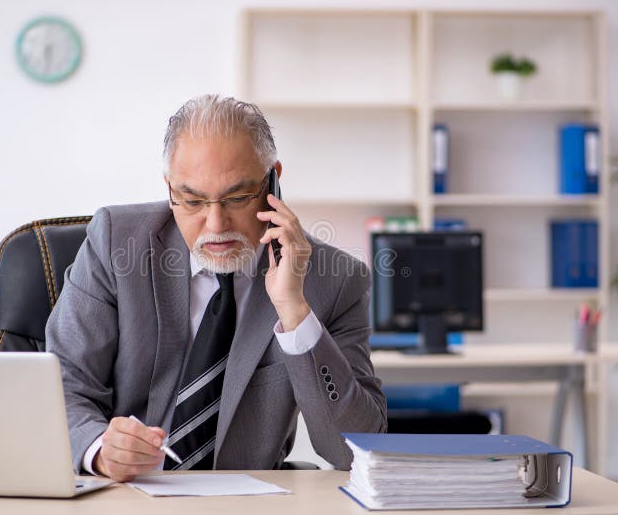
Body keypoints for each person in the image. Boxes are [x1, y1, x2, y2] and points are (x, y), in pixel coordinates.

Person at [46, 94, 386, 482]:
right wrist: (99, 450)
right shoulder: (115, 243)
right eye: (191, 200)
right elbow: (63, 387)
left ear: (273, 178)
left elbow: (356, 450)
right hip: (123, 494)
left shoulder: (336, 280)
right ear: (169, 187)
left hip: (247, 504)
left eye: (237, 197)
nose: (215, 224)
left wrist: (294, 312)